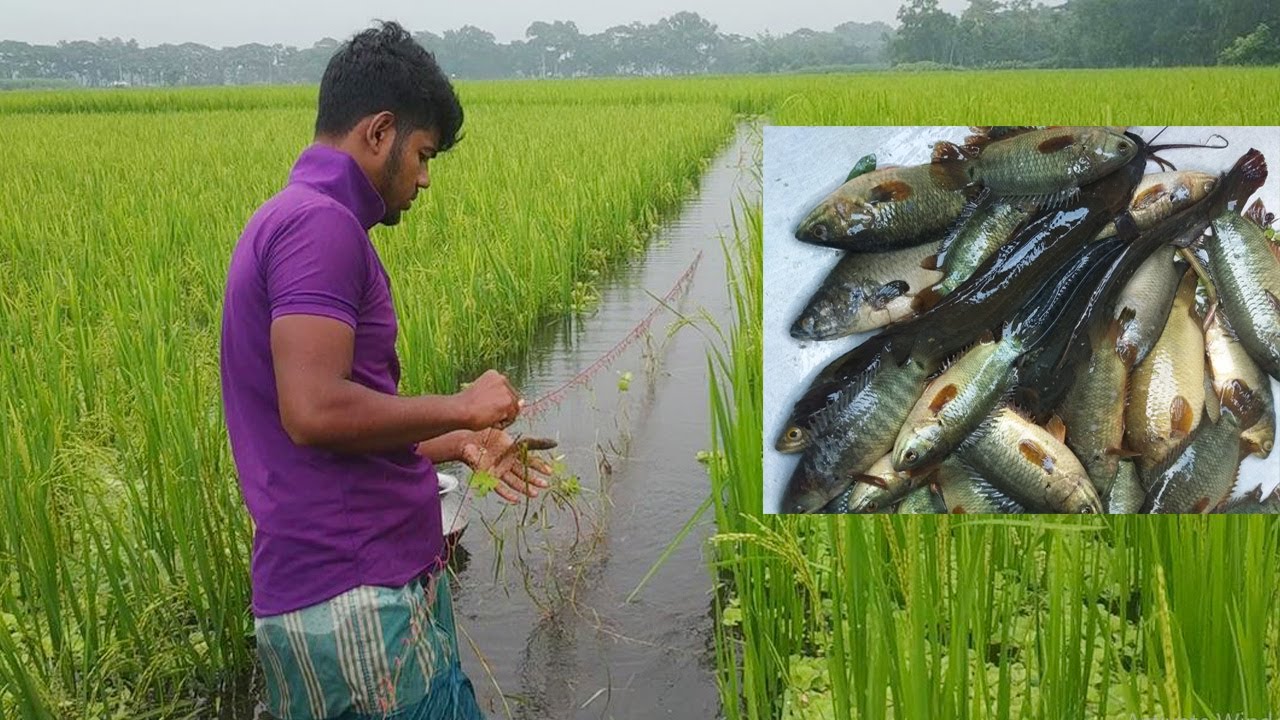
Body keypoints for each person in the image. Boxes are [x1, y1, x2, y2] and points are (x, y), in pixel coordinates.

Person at [219, 21, 552, 720]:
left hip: (329, 595)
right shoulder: (320, 226)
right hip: (359, 604)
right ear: (379, 133)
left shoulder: (287, 217)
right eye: (423, 154)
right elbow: (314, 411)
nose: (426, 178)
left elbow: (334, 435)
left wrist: (461, 444)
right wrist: (464, 407)